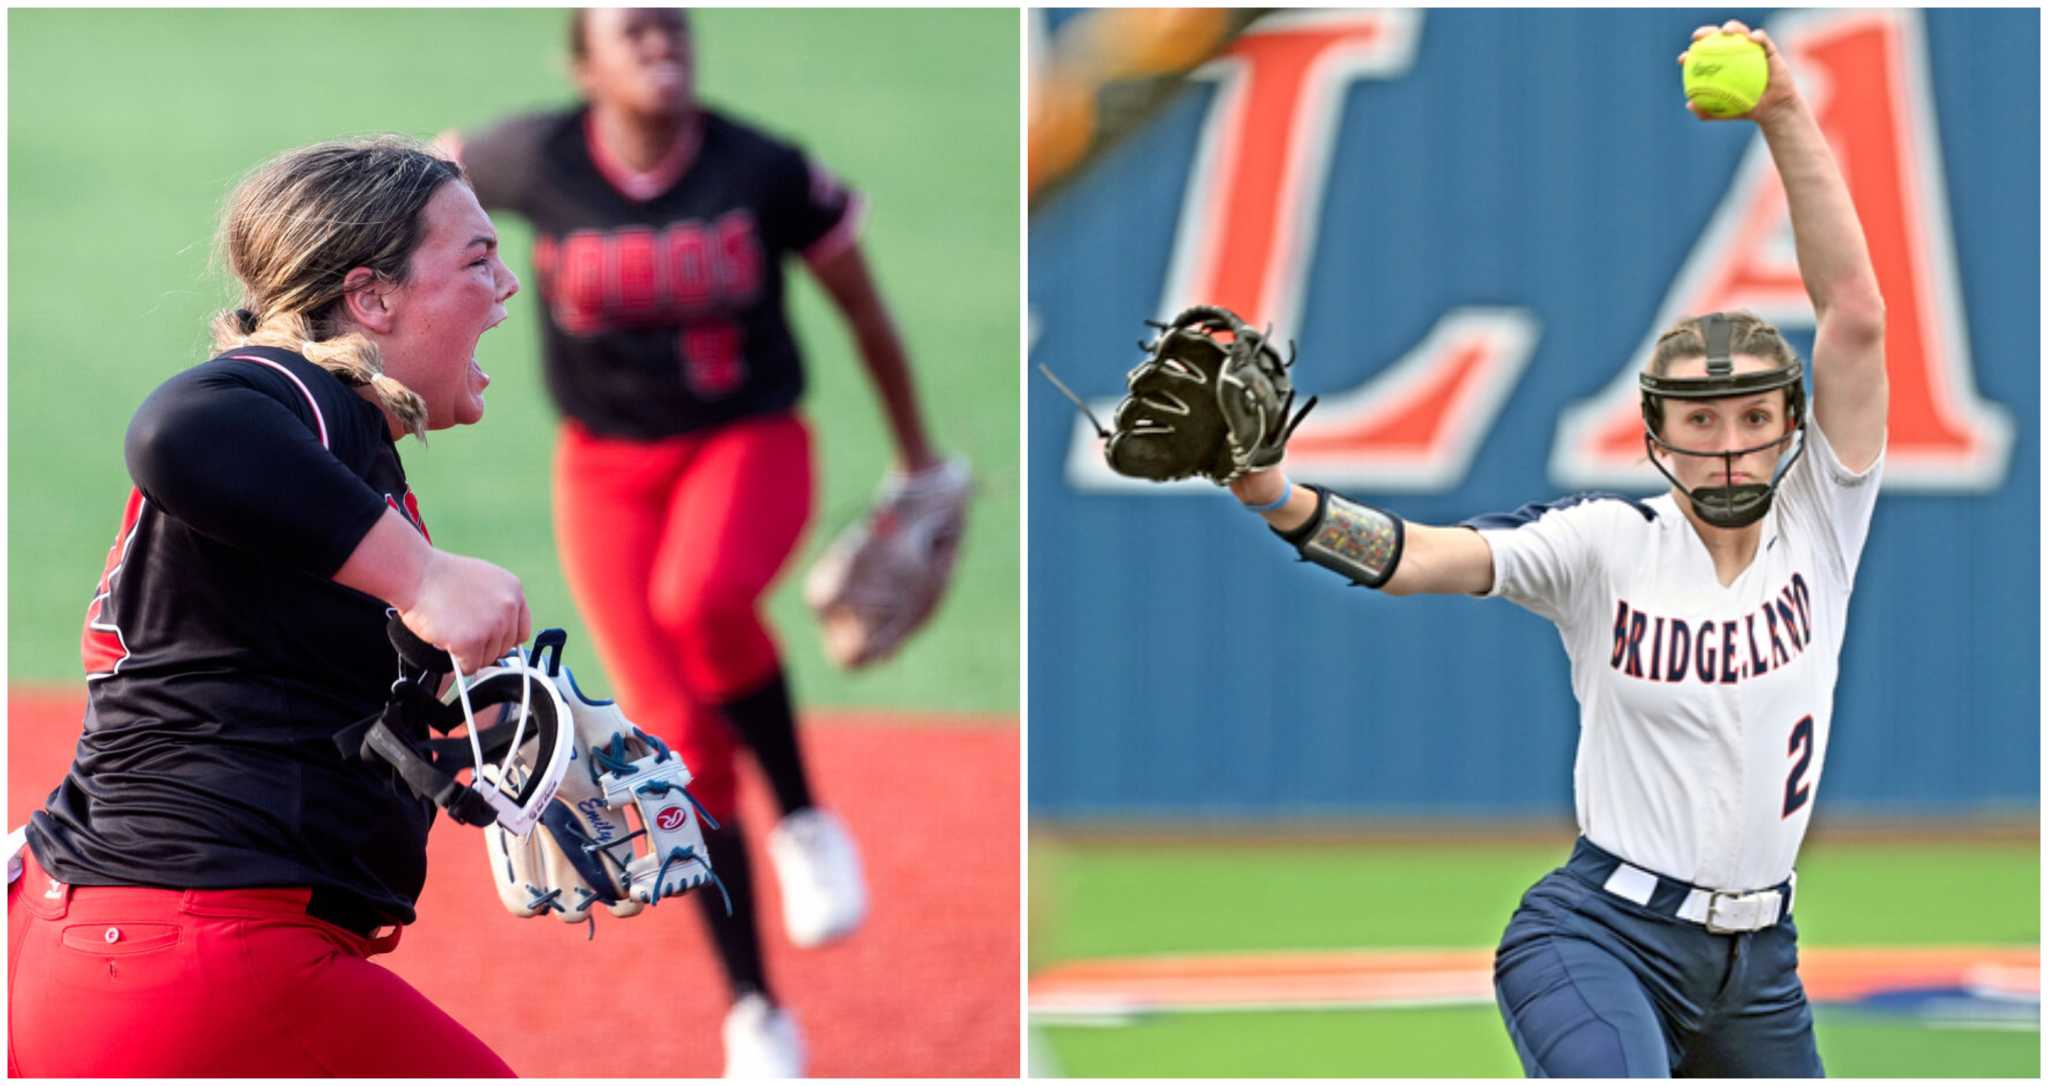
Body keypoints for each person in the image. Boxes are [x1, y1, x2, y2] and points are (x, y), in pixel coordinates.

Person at [1228, 21, 1885, 1077]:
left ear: (1790, 426)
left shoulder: (1822, 525)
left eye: (1752, 418)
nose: (1726, 446)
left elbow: (1851, 316)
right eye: (1698, 422)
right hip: (1598, 937)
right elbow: (1415, 556)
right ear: (1654, 436)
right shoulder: (1605, 545)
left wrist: (1781, 111)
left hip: (1761, 970)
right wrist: (1274, 493)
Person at [442, 9, 958, 1076]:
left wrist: (917, 462)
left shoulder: (758, 168)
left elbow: (863, 311)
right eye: (631, 29)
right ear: (583, 65)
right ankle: (757, 1013)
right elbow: (410, 185)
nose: (659, 41)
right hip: (605, 467)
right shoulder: (534, 156)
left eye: (672, 25)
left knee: (703, 599)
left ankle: (807, 821)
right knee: (669, 737)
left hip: (747, 439)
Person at [8, 137, 530, 1076]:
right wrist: (424, 580)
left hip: (118, 941)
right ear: (371, 298)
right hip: (193, 951)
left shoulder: (326, 456)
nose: (510, 286)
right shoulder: (301, 390)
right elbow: (183, 428)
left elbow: (246, 685)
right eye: (478, 259)